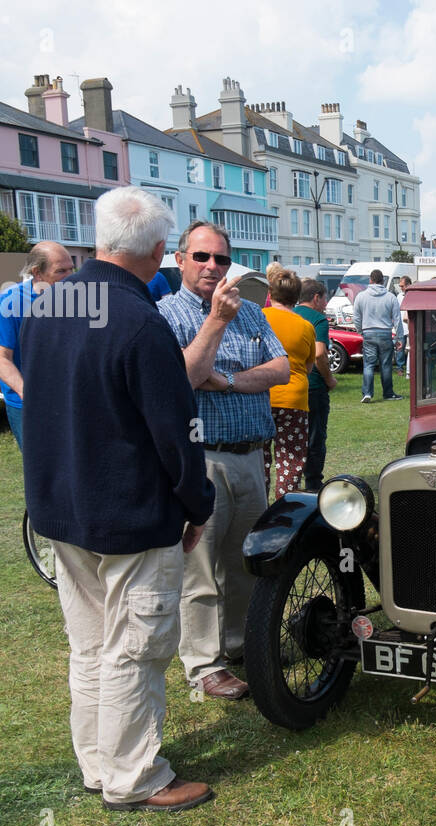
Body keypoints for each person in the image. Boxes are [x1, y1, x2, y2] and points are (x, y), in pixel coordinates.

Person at [20, 186, 216, 812]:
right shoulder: (140, 322)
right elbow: (175, 428)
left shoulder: (48, 306)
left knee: (93, 645)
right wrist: (196, 501)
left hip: (63, 507)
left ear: (100, 241)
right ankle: (134, 776)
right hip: (126, 512)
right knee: (135, 645)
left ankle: (101, 765)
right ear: (161, 252)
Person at [159, 221, 291, 701]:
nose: (212, 266)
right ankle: (203, 663)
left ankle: (238, 644)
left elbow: (281, 369)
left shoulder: (252, 312)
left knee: (244, 561)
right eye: (201, 257)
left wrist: (229, 380)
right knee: (199, 569)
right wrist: (213, 325)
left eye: (220, 258)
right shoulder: (166, 314)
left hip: (251, 455)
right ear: (179, 260)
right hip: (202, 457)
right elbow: (186, 376)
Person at [0, 241, 73, 449]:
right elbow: (0, 357)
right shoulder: (10, 303)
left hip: (69, 400)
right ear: (37, 273)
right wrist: (26, 391)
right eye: (61, 271)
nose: (70, 276)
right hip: (28, 405)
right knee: (42, 467)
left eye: (71, 269)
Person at [263, 264, 316, 498]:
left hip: (262, 394)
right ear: (296, 296)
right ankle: (285, 509)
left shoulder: (259, 318)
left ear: (270, 292)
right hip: (294, 399)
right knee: (290, 462)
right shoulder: (306, 326)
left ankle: (256, 506)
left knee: (259, 458)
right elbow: (308, 365)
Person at [297, 278, 339, 491]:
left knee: (292, 437)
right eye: (324, 299)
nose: (325, 304)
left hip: (286, 384)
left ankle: (291, 481)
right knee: (315, 437)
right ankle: (313, 483)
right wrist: (329, 379)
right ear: (316, 297)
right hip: (313, 386)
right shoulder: (318, 319)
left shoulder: (288, 313)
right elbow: (320, 353)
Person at [353, 268, 403, 402]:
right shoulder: (391, 297)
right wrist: (399, 337)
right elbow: (397, 319)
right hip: (385, 333)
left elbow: (356, 318)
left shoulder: (361, 296)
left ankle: (367, 393)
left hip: (368, 332)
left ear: (370, 280)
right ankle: (388, 393)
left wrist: (361, 331)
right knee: (386, 365)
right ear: (382, 281)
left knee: (368, 364)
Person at [394, 275, 412, 373]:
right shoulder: (399, 296)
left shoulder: (413, 294)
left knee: (410, 349)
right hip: (401, 326)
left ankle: (411, 368)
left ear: (408, 285)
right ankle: (400, 368)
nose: (401, 288)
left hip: (410, 326)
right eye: (400, 286)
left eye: (402, 286)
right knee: (400, 348)